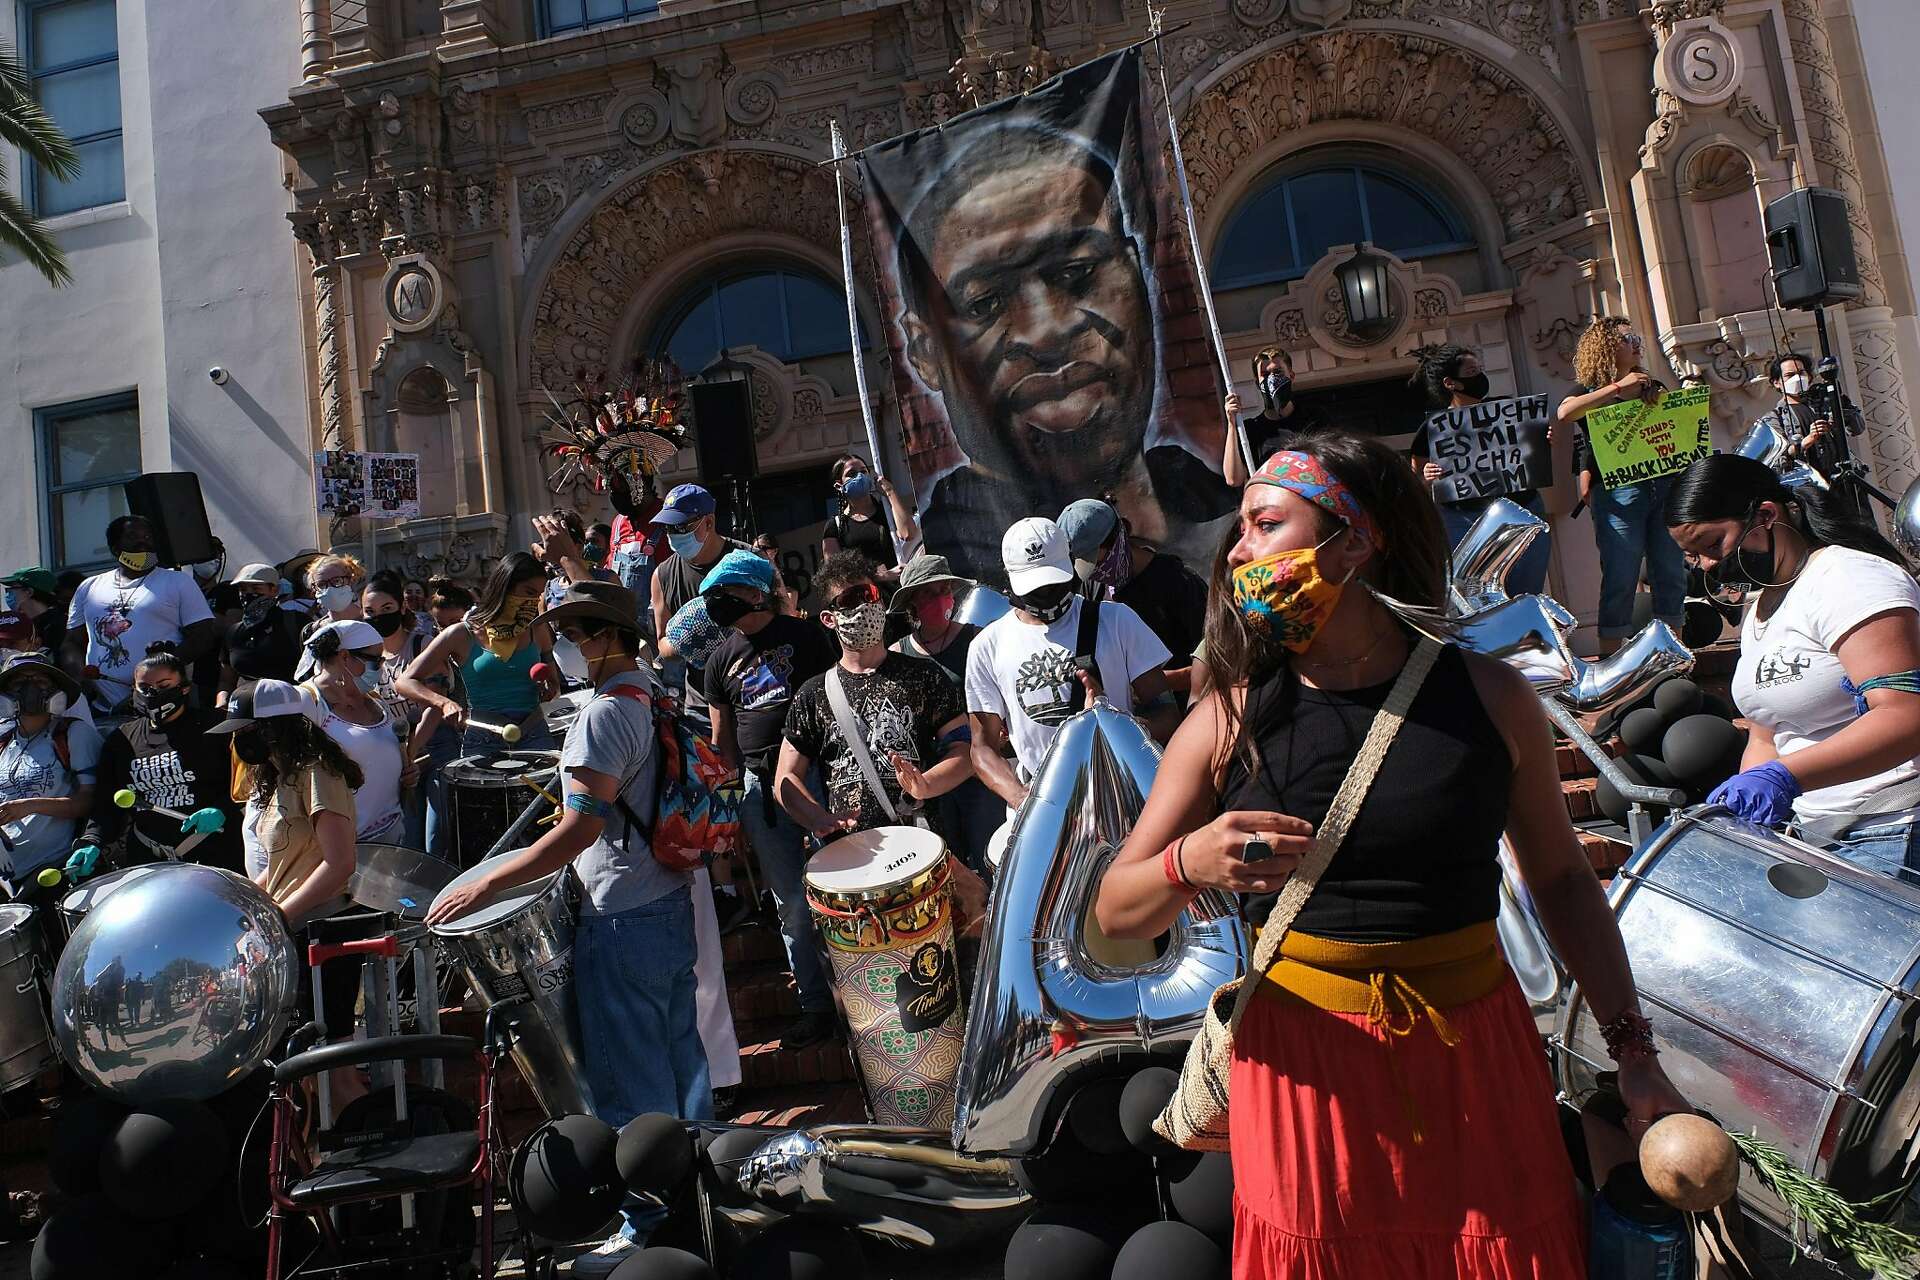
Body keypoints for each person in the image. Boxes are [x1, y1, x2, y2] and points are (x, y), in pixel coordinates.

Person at [1093, 438, 1689, 1279]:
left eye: (1265, 524)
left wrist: (1635, 1054)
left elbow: (1562, 880)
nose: (1237, 552)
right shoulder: (1226, 719)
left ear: (1355, 542)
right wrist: (1187, 861)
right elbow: (1115, 913)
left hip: (1474, 1063)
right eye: (1241, 532)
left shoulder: (1490, 697)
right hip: (1305, 1077)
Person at [423, 581, 707, 1277]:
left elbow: (579, 829)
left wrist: (487, 882)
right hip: (666, 903)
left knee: (630, 1087)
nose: (567, 647)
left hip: (621, 914)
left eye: (577, 635)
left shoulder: (605, 714)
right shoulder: (649, 693)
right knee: (682, 1072)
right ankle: (700, 1209)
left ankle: (650, 1229)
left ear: (606, 637)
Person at [897, 123, 1236, 581]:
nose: (1046, 333)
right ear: (925, 353)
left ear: (1136, 278)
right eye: (984, 304)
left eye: (1077, 273)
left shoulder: (1228, 519)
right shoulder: (953, 584)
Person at [1667, 453, 1920, 874]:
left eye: (1713, 545)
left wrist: (1784, 777)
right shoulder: (1761, 607)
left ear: (1766, 515)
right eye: (1694, 556)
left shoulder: (1848, 579)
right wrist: (1745, 818)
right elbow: (1767, 734)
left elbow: (1905, 714)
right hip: (1819, 839)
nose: (1708, 565)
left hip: (1896, 830)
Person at [701, 550, 840, 1047]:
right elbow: (722, 742)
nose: (720, 603)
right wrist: (730, 805)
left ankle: (862, 997)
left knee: (841, 888)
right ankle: (816, 1006)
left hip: (819, 774)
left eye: (728, 592)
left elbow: (835, 698)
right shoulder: (719, 660)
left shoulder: (807, 637)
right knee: (792, 904)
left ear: (756, 592)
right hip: (760, 788)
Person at [210, 678, 364, 1106]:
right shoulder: (280, 778)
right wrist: (240, 901)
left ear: (276, 727)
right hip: (293, 933)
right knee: (305, 1074)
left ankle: (365, 1138)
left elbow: (339, 863)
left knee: (334, 1072)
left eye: (246, 730)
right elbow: (283, 868)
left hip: (324, 932)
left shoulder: (319, 773)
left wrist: (279, 916)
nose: (239, 741)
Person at [966, 518, 1175, 812]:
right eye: (1036, 587)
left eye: (1054, 582)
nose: (1046, 594)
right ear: (1010, 578)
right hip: (1044, 804)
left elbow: (1167, 713)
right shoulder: (986, 647)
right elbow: (982, 748)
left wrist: (1118, 726)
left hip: (1121, 796)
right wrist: (1022, 800)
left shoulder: (1117, 620)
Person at [776, 552, 973, 837]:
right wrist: (816, 817)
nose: (862, 607)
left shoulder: (923, 675)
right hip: (854, 848)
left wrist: (926, 784)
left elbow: (964, 750)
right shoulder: (813, 695)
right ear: (829, 619)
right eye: (849, 600)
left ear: (880, 601)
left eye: (868, 594)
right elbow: (786, 776)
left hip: (921, 839)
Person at [1556, 317, 1686, 655]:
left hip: (1662, 484)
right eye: (1627, 339)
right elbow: (1565, 413)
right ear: (1606, 346)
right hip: (1618, 492)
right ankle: (1611, 658)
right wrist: (1616, 389)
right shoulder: (1588, 389)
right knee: (1621, 574)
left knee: (1670, 571)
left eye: (1636, 338)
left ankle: (1674, 653)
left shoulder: (1652, 384)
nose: (1636, 344)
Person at [70, 642, 241, 876]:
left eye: (164, 686)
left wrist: (224, 809)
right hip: (148, 858)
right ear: (133, 689)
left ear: (184, 688)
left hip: (215, 851)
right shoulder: (121, 739)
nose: (153, 694)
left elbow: (247, 784)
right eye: (145, 687)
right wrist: (92, 841)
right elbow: (106, 802)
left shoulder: (215, 727)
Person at [1408, 343, 1554, 596]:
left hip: (1521, 507)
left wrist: (1543, 440)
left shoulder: (1509, 411)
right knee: (1476, 593)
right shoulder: (1434, 429)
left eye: (1480, 369)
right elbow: (1417, 478)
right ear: (1450, 383)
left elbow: (1533, 449)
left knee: (1525, 590)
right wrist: (1427, 476)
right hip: (1464, 519)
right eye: (1472, 372)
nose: (1480, 376)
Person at [890, 552, 1001, 874]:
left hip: (980, 772)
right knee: (946, 870)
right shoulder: (898, 653)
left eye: (944, 589)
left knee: (991, 860)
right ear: (912, 602)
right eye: (929, 592)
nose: (940, 598)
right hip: (930, 779)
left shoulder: (976, 639)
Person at [65, 515, 217, 713]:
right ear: (115, 548)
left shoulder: (178, 582)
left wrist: (156, 673)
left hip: (161, 706)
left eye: (147, 536)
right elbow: (72, 642)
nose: (142, 541)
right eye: (132, 536)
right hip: (102, 708)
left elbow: (202, 637)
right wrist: (81, 680)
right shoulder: (88, 587)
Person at [298, 620, 412, 846]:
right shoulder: (307, 703)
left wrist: (406, 771)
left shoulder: (376, 699)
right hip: (342, 847)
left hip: (391, 835)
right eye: (375, 660)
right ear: (344, 657)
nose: (380, 667)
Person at [649, 485, 751, 726]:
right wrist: (689, 637)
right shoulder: (662, 575)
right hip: (701, 704)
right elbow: (662, 641)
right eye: (668, 528)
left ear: (709, 522)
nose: (674, 534)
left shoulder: (749, 559)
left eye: (681, 527)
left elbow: (783, 615)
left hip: (753, 693)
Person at [0, 652, 102, 883]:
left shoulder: (73, 733)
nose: (31, 689)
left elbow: (91, 801)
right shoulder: (3, 738)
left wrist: (31, 806)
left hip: (50, 871)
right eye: (19, 682)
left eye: (40, 681)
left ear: (57, 691)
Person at [363, 572, 434, 847]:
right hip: (396, 760)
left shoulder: (421, 645)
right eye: (370, 612)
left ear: (402, 607)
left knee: (435, 837)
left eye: (386, 608)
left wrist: (411, 755)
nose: (378, 617)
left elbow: (434, 706)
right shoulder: (367, 658)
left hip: (432, 751)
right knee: (407, 840)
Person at [1739, 351, 1864, 482]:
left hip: (1843, 480)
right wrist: (1808, 440)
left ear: (1809, 376)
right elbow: (1777, 459)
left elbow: (1857, 428)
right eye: (1790, 375)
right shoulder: (1774, 418)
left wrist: (1839, 401)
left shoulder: (1822, 403)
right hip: (1808, 486)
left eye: (1801, 373)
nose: (1797, 378)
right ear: (1777, 383)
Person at [1221, 347, 1331, 486]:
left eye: (1278, 372)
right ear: (1257, 383)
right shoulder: (1250, 430)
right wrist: (1232, 423)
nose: (1272, 379)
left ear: (1291, 376)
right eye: (1265, 374)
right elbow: (1233, 479)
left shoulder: (1315, 418)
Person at [821, 454, 918, 584]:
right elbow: (836, 573)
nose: (859, 476)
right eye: (851, 474)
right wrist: (880, 575)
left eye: (863, 471)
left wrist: (890, 492)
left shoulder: (888, 511)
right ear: (839, 485)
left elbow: (908, 533)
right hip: (866, 594)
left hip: (901, 588)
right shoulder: (835, 526)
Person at [223, 561, 310, 689]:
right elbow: (226, 681)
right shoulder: (234, 632)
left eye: (256, 588)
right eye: (243, 589)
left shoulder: (297, 622)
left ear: (274, 590)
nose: (248, 594)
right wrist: (223, 698)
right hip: (248, 699)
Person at [3, 568, 67, 654]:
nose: (8, 594)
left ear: (29, 592)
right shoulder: (20, 623)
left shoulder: (60, 626)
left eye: (12, 589)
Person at [304, 554, 367, 625]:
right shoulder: (315, 629)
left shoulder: (371, 621)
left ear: (350, 580)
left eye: (337, 581)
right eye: (321, 584)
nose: (330, 589)